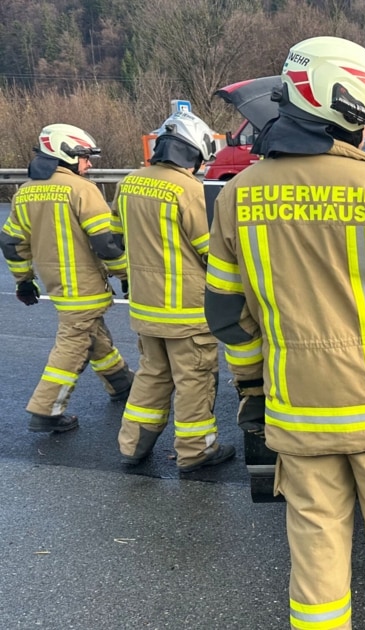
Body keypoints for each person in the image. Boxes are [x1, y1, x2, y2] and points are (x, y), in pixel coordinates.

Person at [204, 36, 365, 630]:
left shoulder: (238, 196)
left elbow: (227, 315)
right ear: (340, 111)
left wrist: (252, 387)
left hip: (298, 411)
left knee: (314, 545)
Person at [112, 111, 236, 471]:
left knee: (152, 376)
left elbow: (116, 237)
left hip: (145, 308)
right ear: (194, 153)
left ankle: (132, 446)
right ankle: (196, 451)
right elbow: (211, 252)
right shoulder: (189, 190)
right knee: (195, 380)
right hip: (186, 311)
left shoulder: (129, 183)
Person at [0, 124, 133, 433]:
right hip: (83, 284)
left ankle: (121, 383)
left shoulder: (25, 192)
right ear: (67, 155)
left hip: (56, 284)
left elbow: (11, 242)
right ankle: (45, 410)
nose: (89, 165)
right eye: (85, 157)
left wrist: (23, 280)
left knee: (91, 333)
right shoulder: (82, 190)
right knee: (73, 344)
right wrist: (126, 274)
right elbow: (106, 242)